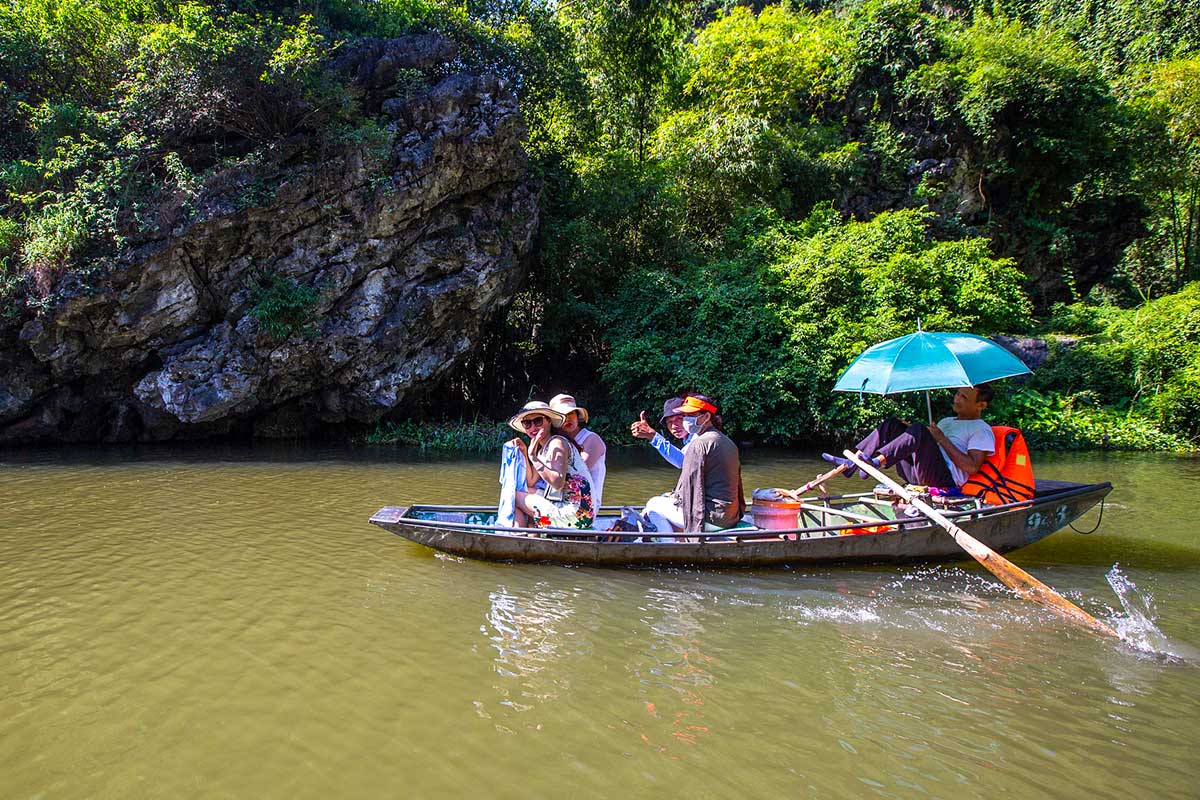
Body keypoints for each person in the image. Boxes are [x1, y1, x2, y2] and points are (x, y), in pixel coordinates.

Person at [823, 384, 997, 490]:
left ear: (981, 405)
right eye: (958, 393)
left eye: (964, 397)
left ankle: (876, 462)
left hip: (944, 479)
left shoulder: (981, 429)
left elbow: (972, 467)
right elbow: (928, 446)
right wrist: (909, 430)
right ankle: (851, 463)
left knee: (920, 430)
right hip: (918, 472)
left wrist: (941, 438)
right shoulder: (947, 420)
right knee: (893, 425)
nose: (957, 399)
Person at [642, 395, 746, 534]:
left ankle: (671, 545)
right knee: (666, 498)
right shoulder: (725, 440)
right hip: (730, 516)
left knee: (653, 505)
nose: (685, 420)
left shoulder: (699, 444)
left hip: (710, 520)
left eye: (689, 415)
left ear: (706, 417)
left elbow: (691, 485)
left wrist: (676, 498)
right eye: (684, 415)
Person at [508, 401, 595, 530]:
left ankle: (518, 538)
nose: (532, 428)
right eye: (527, 423)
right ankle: (531, 536)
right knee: (526, 491)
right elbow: (531, 481)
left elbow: (557, 483)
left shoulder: (557, 443)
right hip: (571, 508)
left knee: (513, 496)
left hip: (578, 515)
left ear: (549, 421)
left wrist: (533, 457)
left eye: (538, 421)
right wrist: (525, 453)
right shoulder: (544, 448)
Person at [549, 393, 607, 517]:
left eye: (571, 414)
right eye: (562, 416)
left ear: (577, 416)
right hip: (562, 499)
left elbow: (577, 475)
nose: (567, 418)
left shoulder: (591, 439)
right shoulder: (558, 442)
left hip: (585, 506)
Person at [630, 396, 692, 468]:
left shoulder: (698, 436)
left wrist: (653, 436)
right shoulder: (688, 440)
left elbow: (682, 462)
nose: (674, 426)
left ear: (689, 417)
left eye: (679, 419)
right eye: (669, 422)